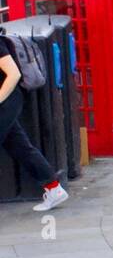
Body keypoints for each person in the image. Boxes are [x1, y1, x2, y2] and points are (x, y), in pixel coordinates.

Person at [0, 38, 69, 212]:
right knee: (19, 146)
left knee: (19, 145)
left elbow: (13, 74)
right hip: (6, 103)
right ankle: (54, 189)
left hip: (7, 101)